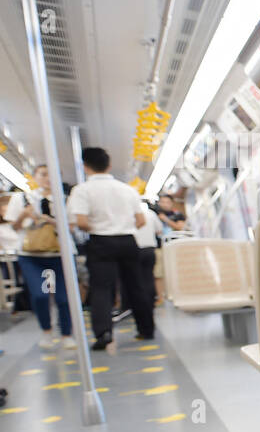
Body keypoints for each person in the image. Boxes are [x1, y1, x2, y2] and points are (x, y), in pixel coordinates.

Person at [67, 147, 153, 350]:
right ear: (109, 165)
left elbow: (81, 221)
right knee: (135, 286)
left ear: (85, 166)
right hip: (128, 241)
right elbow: (140, 221)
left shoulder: (82, 191)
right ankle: (146, 329)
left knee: (102, 288)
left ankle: (104, 332)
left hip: (101, 242)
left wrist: (101, 226)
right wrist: (122, 225)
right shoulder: (127, 189)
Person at [2, 166, 75, 350]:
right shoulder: (22, 199)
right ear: (34, 177)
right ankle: (46, 331)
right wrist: (24, 216)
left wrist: (51, 220)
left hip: (60, 254)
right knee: (40, 295)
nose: (48, 179)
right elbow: (14, 227)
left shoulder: (65, 200)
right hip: (30, 255)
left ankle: (67, 333)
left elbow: (72, 228)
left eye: (53, 175)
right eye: (43, 174)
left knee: (63, 298)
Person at [132, 198, 164, 308]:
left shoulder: (129, 214)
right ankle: (151, 301)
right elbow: (159, 230)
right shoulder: (151, 214)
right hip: (150, 249)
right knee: (149, 275)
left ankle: (139, 302)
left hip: (135, 249)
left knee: (136, 277)